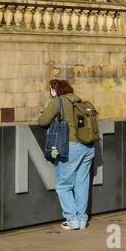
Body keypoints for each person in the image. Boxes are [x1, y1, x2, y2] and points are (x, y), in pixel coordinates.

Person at [36, 78, 99, 231]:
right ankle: (82, 220)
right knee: (82, 183)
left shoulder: (59, 101)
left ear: (54, 90)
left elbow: (42, 121)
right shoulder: (81, 102)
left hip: (71, 146)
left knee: (63, 185)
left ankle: (72, 220)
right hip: (89, 147)